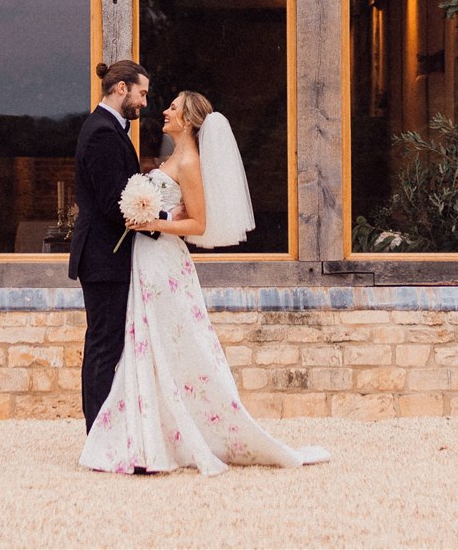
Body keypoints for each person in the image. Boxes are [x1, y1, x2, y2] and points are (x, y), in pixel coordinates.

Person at [81, 90, 331, 476]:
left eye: (173, 108)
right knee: (147, 344)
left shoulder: (190, 162)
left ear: (189, 120)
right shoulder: (173, 157)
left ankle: (177, 434)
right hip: (145, 260)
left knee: (170, 342)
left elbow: (197, 224)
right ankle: (151, 435)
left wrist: (151, 222)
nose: (164, 111)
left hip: (163, 262)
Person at [70, 59, 149, 432]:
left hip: (108, 255)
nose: (144, 102)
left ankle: (104, 430)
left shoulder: (109, 127)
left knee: (106, 342)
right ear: (122, 89)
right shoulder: (102, 132)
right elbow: (113, 202)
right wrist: (158, 223)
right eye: (141, 92)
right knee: (104, 344)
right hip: (103, 256)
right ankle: (97, 434)